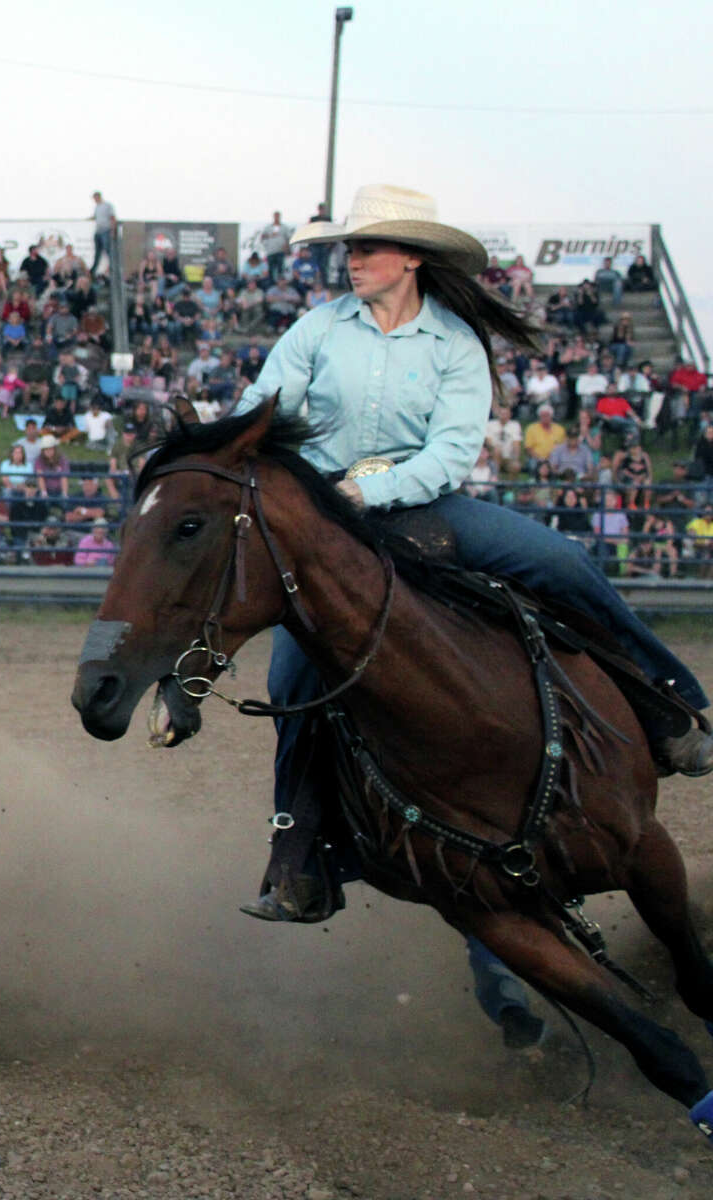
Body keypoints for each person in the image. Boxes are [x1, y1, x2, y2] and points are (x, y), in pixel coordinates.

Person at [230, 183, 713, 935]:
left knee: (563, 562)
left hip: (422, 505)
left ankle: (667, 702)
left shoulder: (455, 343)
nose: (351, 260)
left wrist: (373, 490)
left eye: (366, 247)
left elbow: (450, 454)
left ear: (411, 258)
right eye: (349, 248)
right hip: (326, 523)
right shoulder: (318, 330)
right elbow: (262, 405)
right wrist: (228, 441)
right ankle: (297, 856)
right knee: (294, 680)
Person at [91, 191, 116, 278]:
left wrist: (113, 231)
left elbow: (112, 217)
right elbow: (95, 217)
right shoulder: (97, 207)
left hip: (106, 230)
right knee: (98, 252)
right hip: (98, 231)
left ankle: (112, 268)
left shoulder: (107, 205)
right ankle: (94, 270)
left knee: (107, 250)